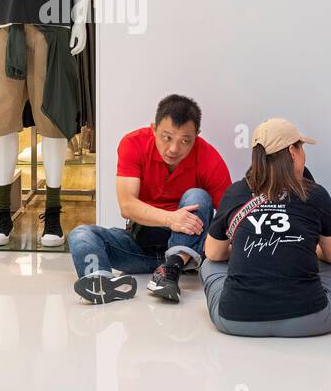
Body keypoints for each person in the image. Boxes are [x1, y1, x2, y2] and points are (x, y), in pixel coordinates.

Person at [69, 94, 231, 305]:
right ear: (154, 129)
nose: (174, 148)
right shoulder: (133, 143)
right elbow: (127, 206)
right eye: (167, 137)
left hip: (190, 254)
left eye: (185, 141)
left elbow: (231, 217)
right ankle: (99, 281)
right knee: (81, 234)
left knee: (197, 196)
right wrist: (171, 219)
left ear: (197, 135)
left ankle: (171, 268)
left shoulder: (209, 158)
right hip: (141, 246)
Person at [202, 119, 331, 337]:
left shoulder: (236, 192)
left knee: (210, 265)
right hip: (311, 321)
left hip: (235, 320)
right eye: (302, 147)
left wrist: (247, 249)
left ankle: (239, 298)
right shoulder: (315, 194)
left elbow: (213, 252)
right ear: (292, 152)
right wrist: (304, 249)